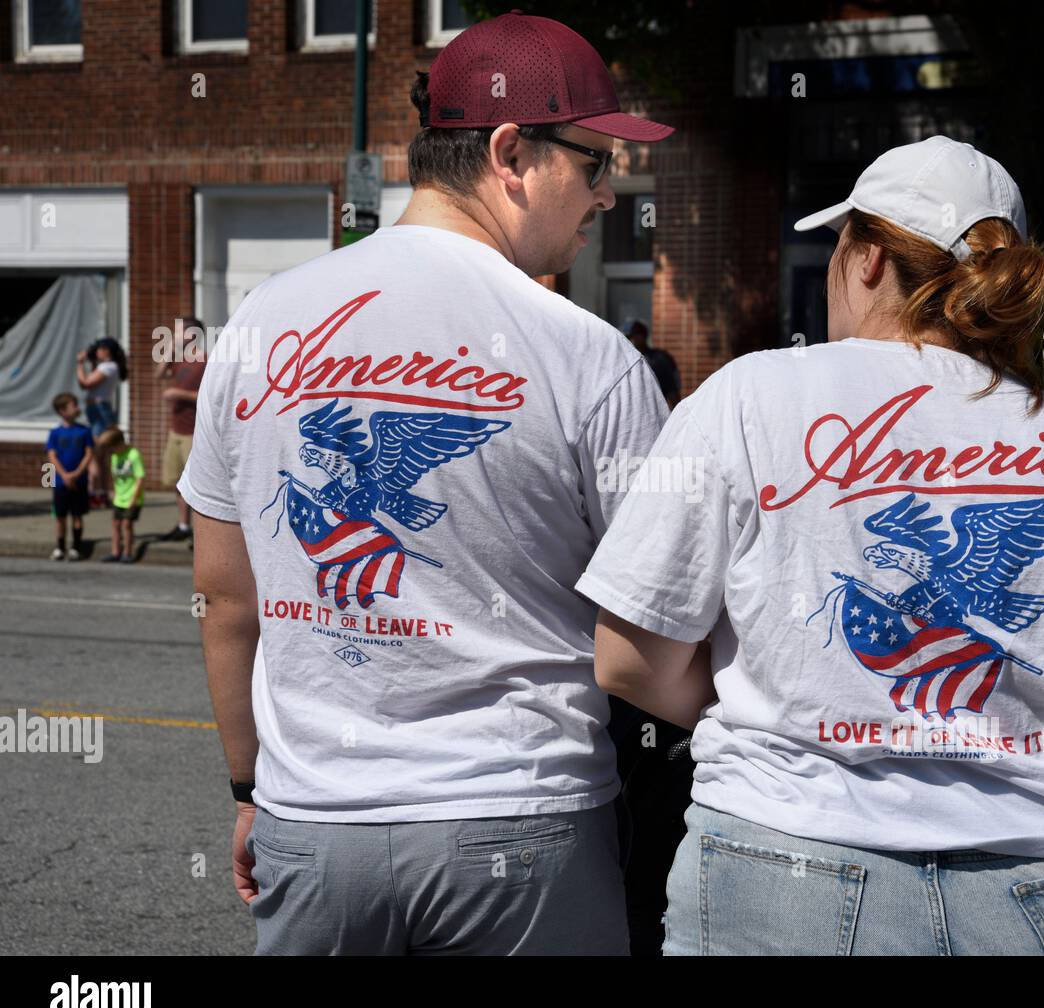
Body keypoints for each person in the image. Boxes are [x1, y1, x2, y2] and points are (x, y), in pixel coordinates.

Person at [576, 136, 1044, 956]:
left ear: (870, 257)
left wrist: (784, 714)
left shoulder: (747, 394)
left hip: (785, 864)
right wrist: (1006, 732)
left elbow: (629, 655)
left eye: (837, 246)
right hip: (1043, 889)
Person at [178, 11, 674, 956]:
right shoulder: (590, 357)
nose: (609, 195)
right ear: (510, 153)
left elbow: (225, 595)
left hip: (316, 828)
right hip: (523, 827)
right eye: (597, 164)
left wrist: (250, 789)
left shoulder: (258, 322)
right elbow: (656, 631)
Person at [154, 316, 207, 547]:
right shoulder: (177, 358)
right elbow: (158, 374)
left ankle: (202, 534)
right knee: (177, 482)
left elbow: (209, 397)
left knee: (197, 484)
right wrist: (169, 351)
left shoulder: (205, 361)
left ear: (192, 334)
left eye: (177, 332)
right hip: (176, 430)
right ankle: (183, 526)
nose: (173, 336)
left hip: (194, 433)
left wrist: (180, 395)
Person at [76, 336, 128, 505]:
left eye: (99, 348)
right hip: (97, 410)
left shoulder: (108, 367)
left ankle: (97, 492)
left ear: (106, 351)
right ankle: (102, 492)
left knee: (96, 454)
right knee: (100, 456)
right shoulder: (106, 367)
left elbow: (86, 383)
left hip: (99, 411)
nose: (96, 351)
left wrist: (79, 364)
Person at [45, 392, 94, 561]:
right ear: (62, 411)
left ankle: (76, 547)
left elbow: (89, 454)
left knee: (77, 515)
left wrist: (76, 474)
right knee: (60, 516)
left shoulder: (84, 431)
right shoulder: (55, 433)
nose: (77, 408)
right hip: (59, 482)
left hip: (79, 481)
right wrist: (64, 475)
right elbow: (51, 456)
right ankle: (60, 547)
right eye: (74, 405)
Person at [97, 426, 144, 563]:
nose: (110, 451)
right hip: (119, 498)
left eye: (112, 447)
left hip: (132, 498)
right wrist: (113, 493)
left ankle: (127, 553)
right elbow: (116, 478)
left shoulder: (133, 454)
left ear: (119, 443)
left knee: (127, 525)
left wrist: (134, 499)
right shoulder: (115, 456)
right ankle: (115, 551)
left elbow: (140, 478)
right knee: (116, 524)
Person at [624, 320, 681, 408]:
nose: (630, 340)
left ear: (642, 335)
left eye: (633, 335)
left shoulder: (659, 358)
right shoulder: (623, 359)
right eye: (627, 337)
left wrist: (677, 415)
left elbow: (672, 391)